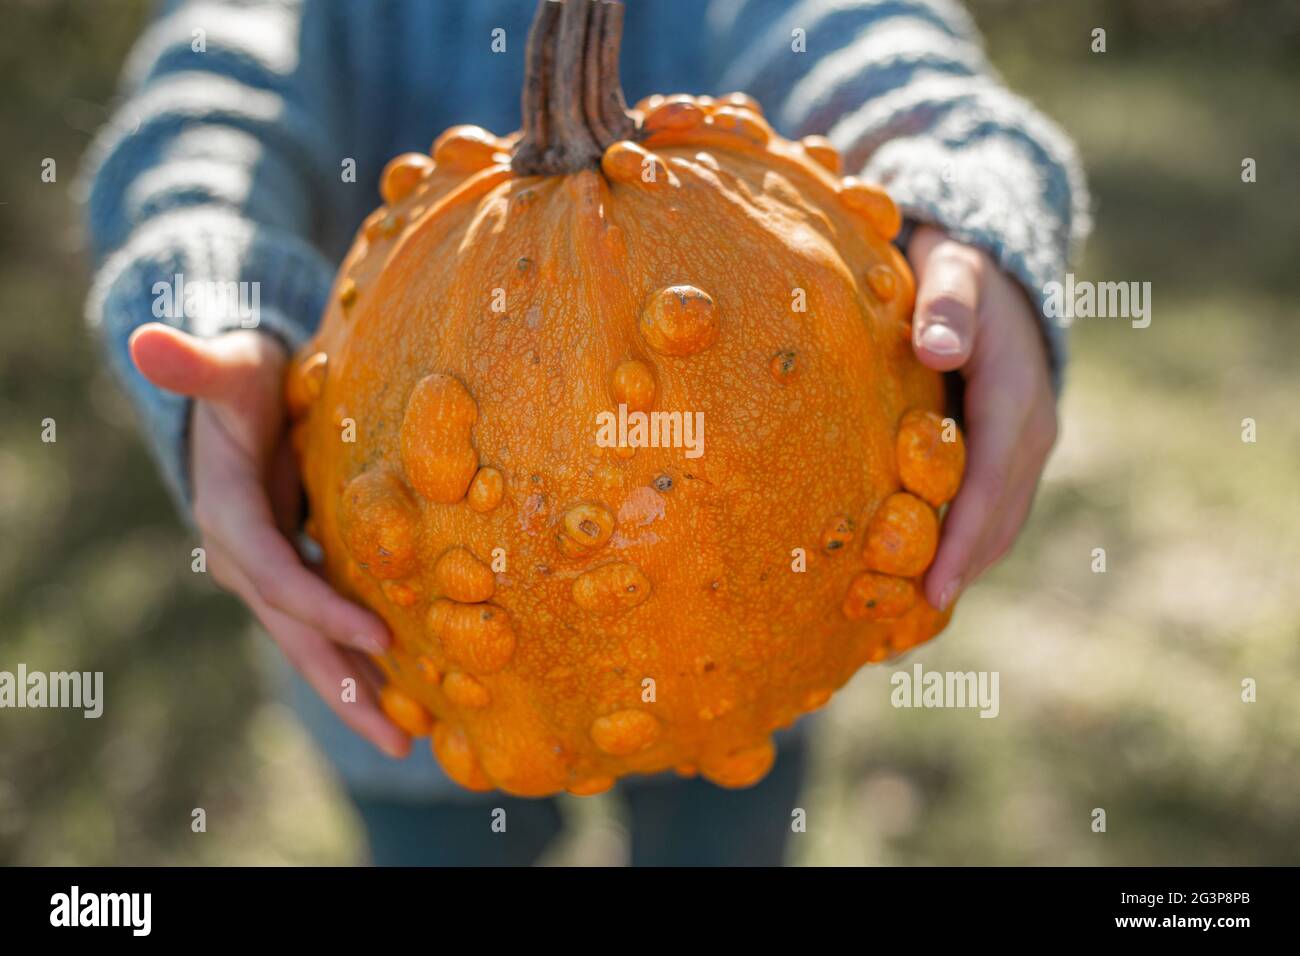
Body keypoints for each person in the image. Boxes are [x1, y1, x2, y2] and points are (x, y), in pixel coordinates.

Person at [83, 0, 1089, 865]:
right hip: (402, 669)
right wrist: (218, 299)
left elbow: (854, 32)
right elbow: (208, 102)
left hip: (748, 651)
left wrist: (964, 189)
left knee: (722, 834)